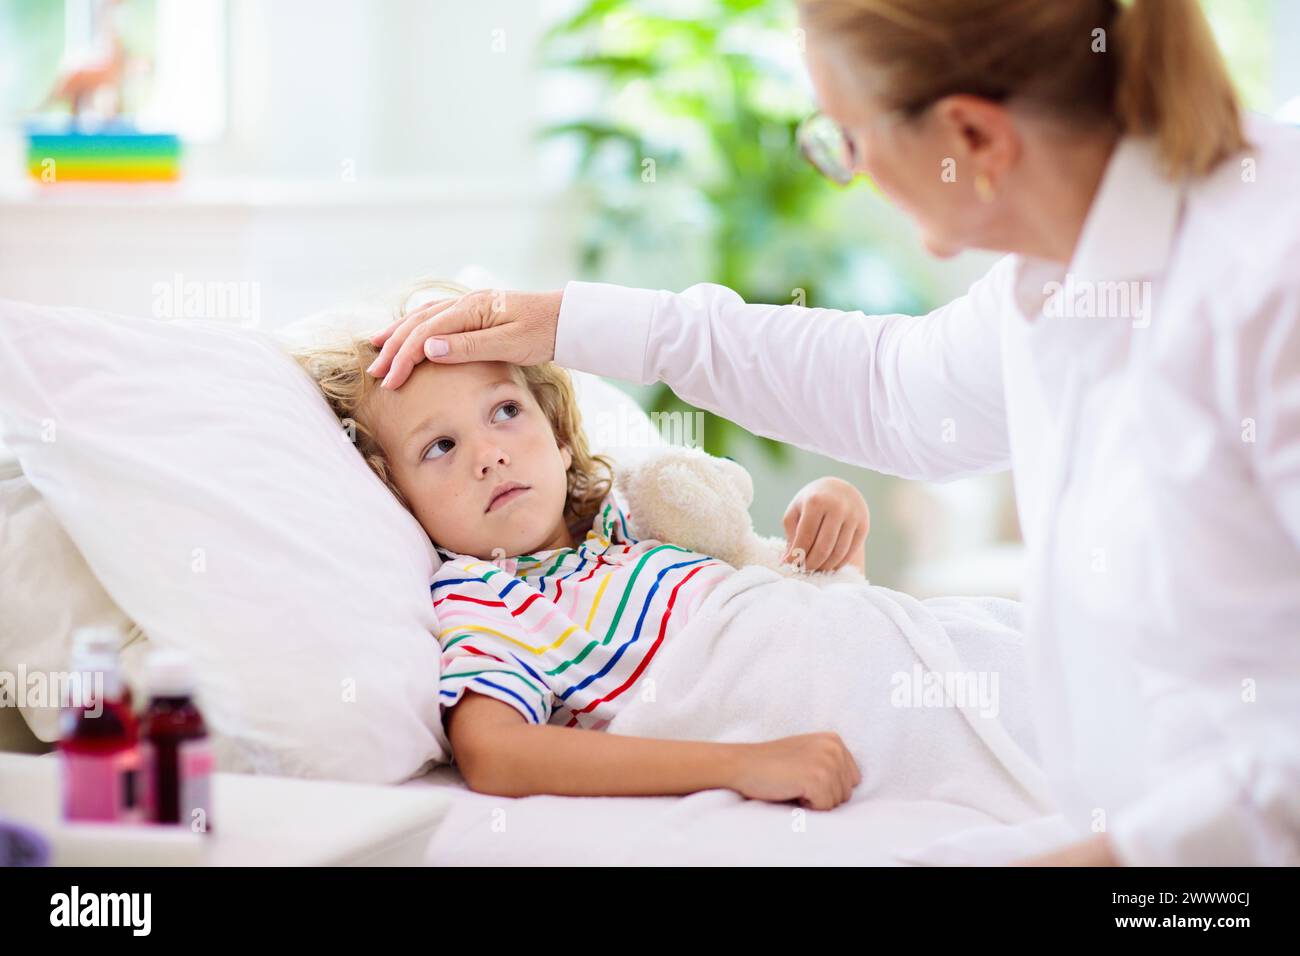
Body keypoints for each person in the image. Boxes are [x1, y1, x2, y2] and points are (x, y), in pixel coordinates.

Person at [365, 0, 1300, 866]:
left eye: (843, 137)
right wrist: (579, 320)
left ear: (972, 135)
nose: (846, 168)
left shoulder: (1269, 285)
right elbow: (897, 389)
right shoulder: (1057, 276)